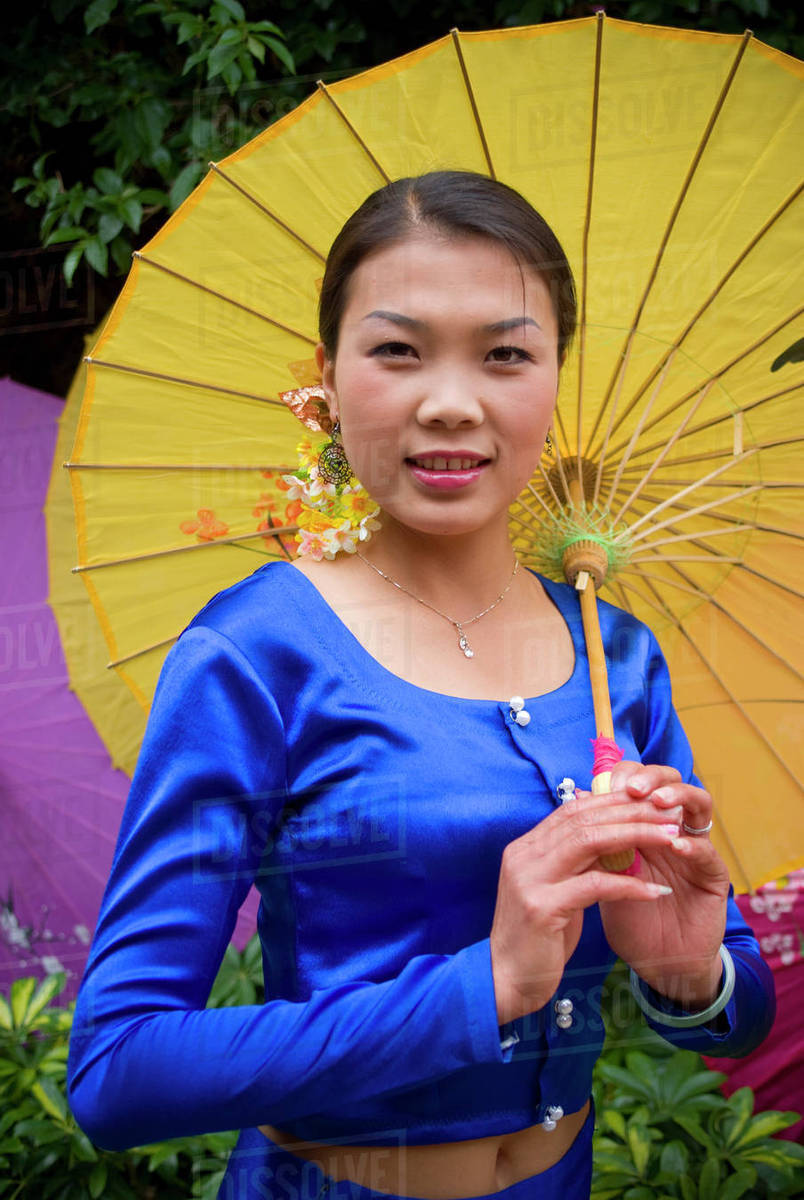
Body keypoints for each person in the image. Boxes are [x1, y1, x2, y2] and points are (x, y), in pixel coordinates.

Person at [67, 171, 775, 1200]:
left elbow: (734, 1007)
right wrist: (479, 990)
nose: (451, 403)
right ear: (326, 373)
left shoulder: (617, 654)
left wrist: (686, 974)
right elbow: (118, 1072)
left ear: (554, 375)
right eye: (397, 351)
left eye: (506, 354)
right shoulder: (256, 655)